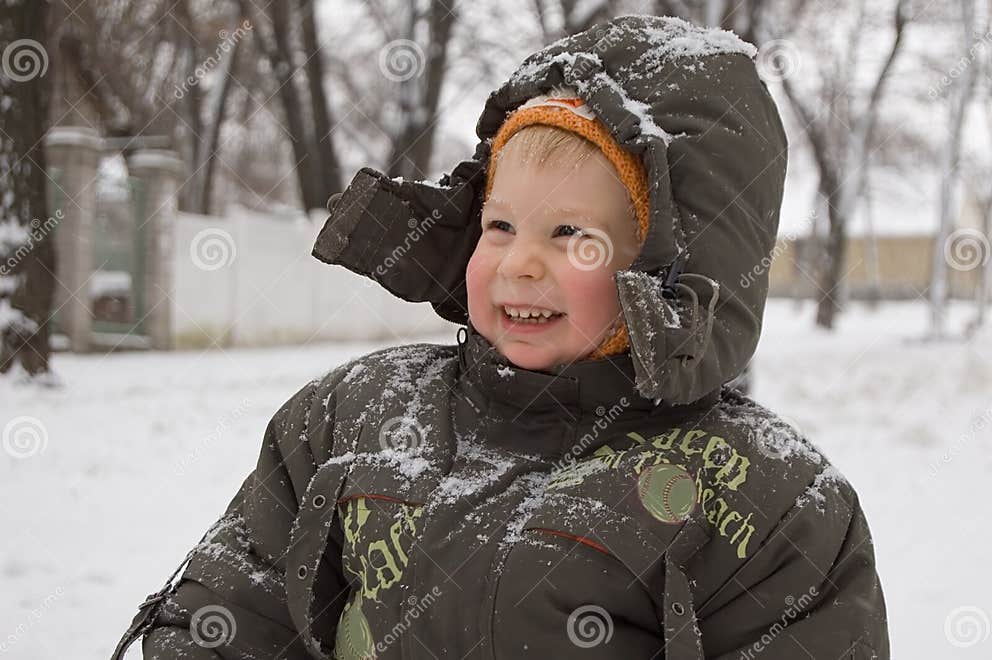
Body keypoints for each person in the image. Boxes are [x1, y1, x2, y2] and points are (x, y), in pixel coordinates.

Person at [112, 14, 889, 660]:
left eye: (569, 234)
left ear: (667, 270)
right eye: (501, 225)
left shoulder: (766, 501)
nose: (519, 263)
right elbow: (229, 614)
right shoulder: (353, 415)